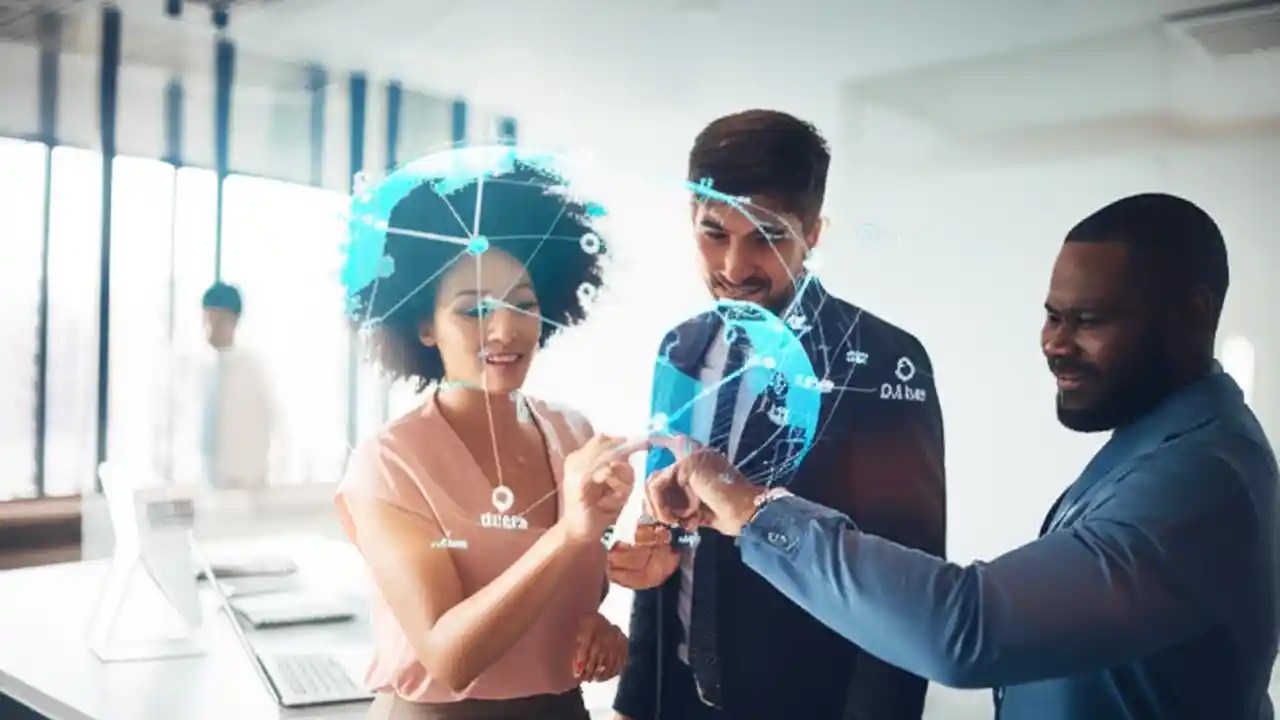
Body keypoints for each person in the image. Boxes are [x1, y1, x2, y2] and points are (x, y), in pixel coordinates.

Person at [650, 193, 1280, 719]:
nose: (1054, 345)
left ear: (1193, 315)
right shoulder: (1154, 444)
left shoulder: (1200, 480)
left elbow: (967, 628)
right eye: (1051, 317)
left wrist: (755, 510)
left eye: (1089, 320)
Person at [609, 110, 947, 720]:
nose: (735, 268)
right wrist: (636, 701)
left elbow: (909, 587)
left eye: (766, 237)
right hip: (677, 698)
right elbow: (663, 532)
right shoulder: (678, 348)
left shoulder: (884, 361)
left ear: (812, 233)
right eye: (714, 233)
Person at [335, 149, 644, 720]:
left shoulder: (573, 434)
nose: (505, 330)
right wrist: (568, 536)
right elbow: (449, 657)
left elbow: (573, 592)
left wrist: (603, 631)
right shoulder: (389, 462)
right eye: (474, 310)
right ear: (423, 325)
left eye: (522, 306)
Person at [199, 282, 277, 488]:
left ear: (232, 321)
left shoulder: (251, 371)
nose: (208, 327)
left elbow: (268, 430)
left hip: (245, 488)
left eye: (214, 320)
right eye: (206, 319)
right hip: (214, 488)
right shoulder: (206, 372)